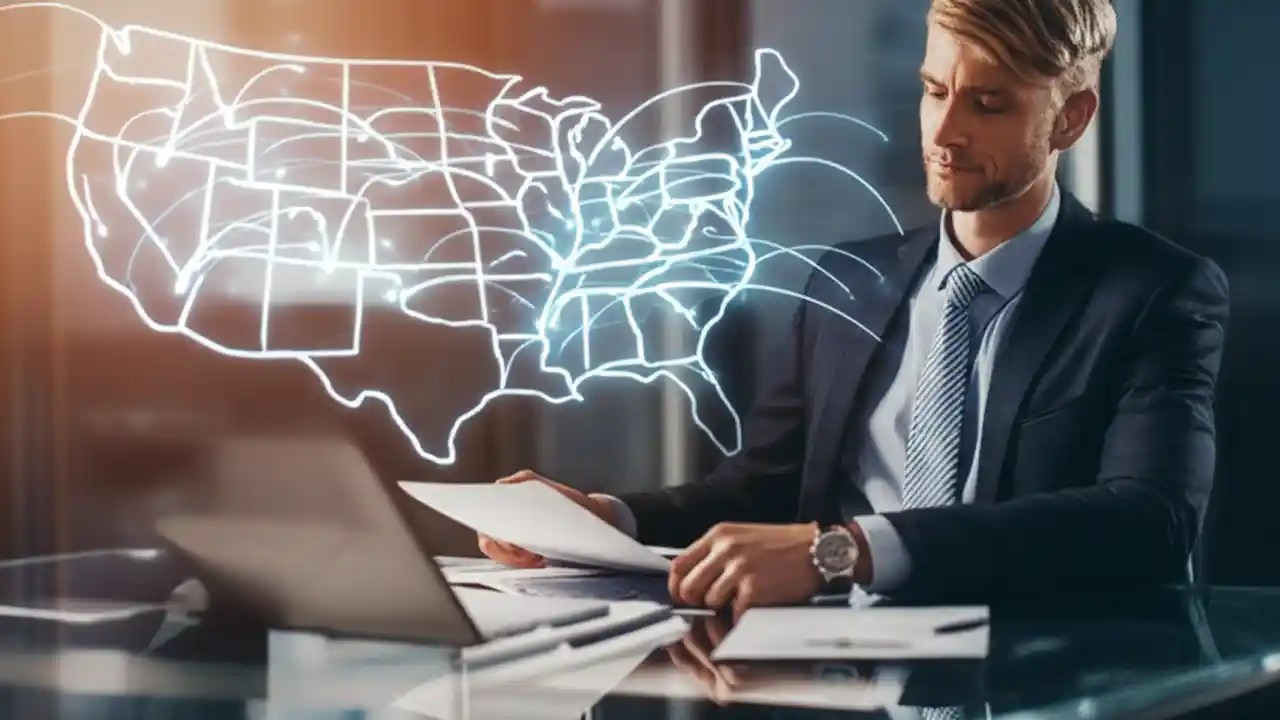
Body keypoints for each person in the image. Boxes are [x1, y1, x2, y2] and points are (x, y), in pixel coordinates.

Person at [479, 0, 1229, 617]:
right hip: (835, 672)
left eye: (988, 103)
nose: (945, 131)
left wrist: (844, 552)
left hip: (1032, 672)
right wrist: (606, 520)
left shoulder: (1150, 292)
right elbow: (763, 490)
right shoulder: (847, 279)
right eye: (934, 90)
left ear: (1069, 119)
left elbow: (1148, 519)